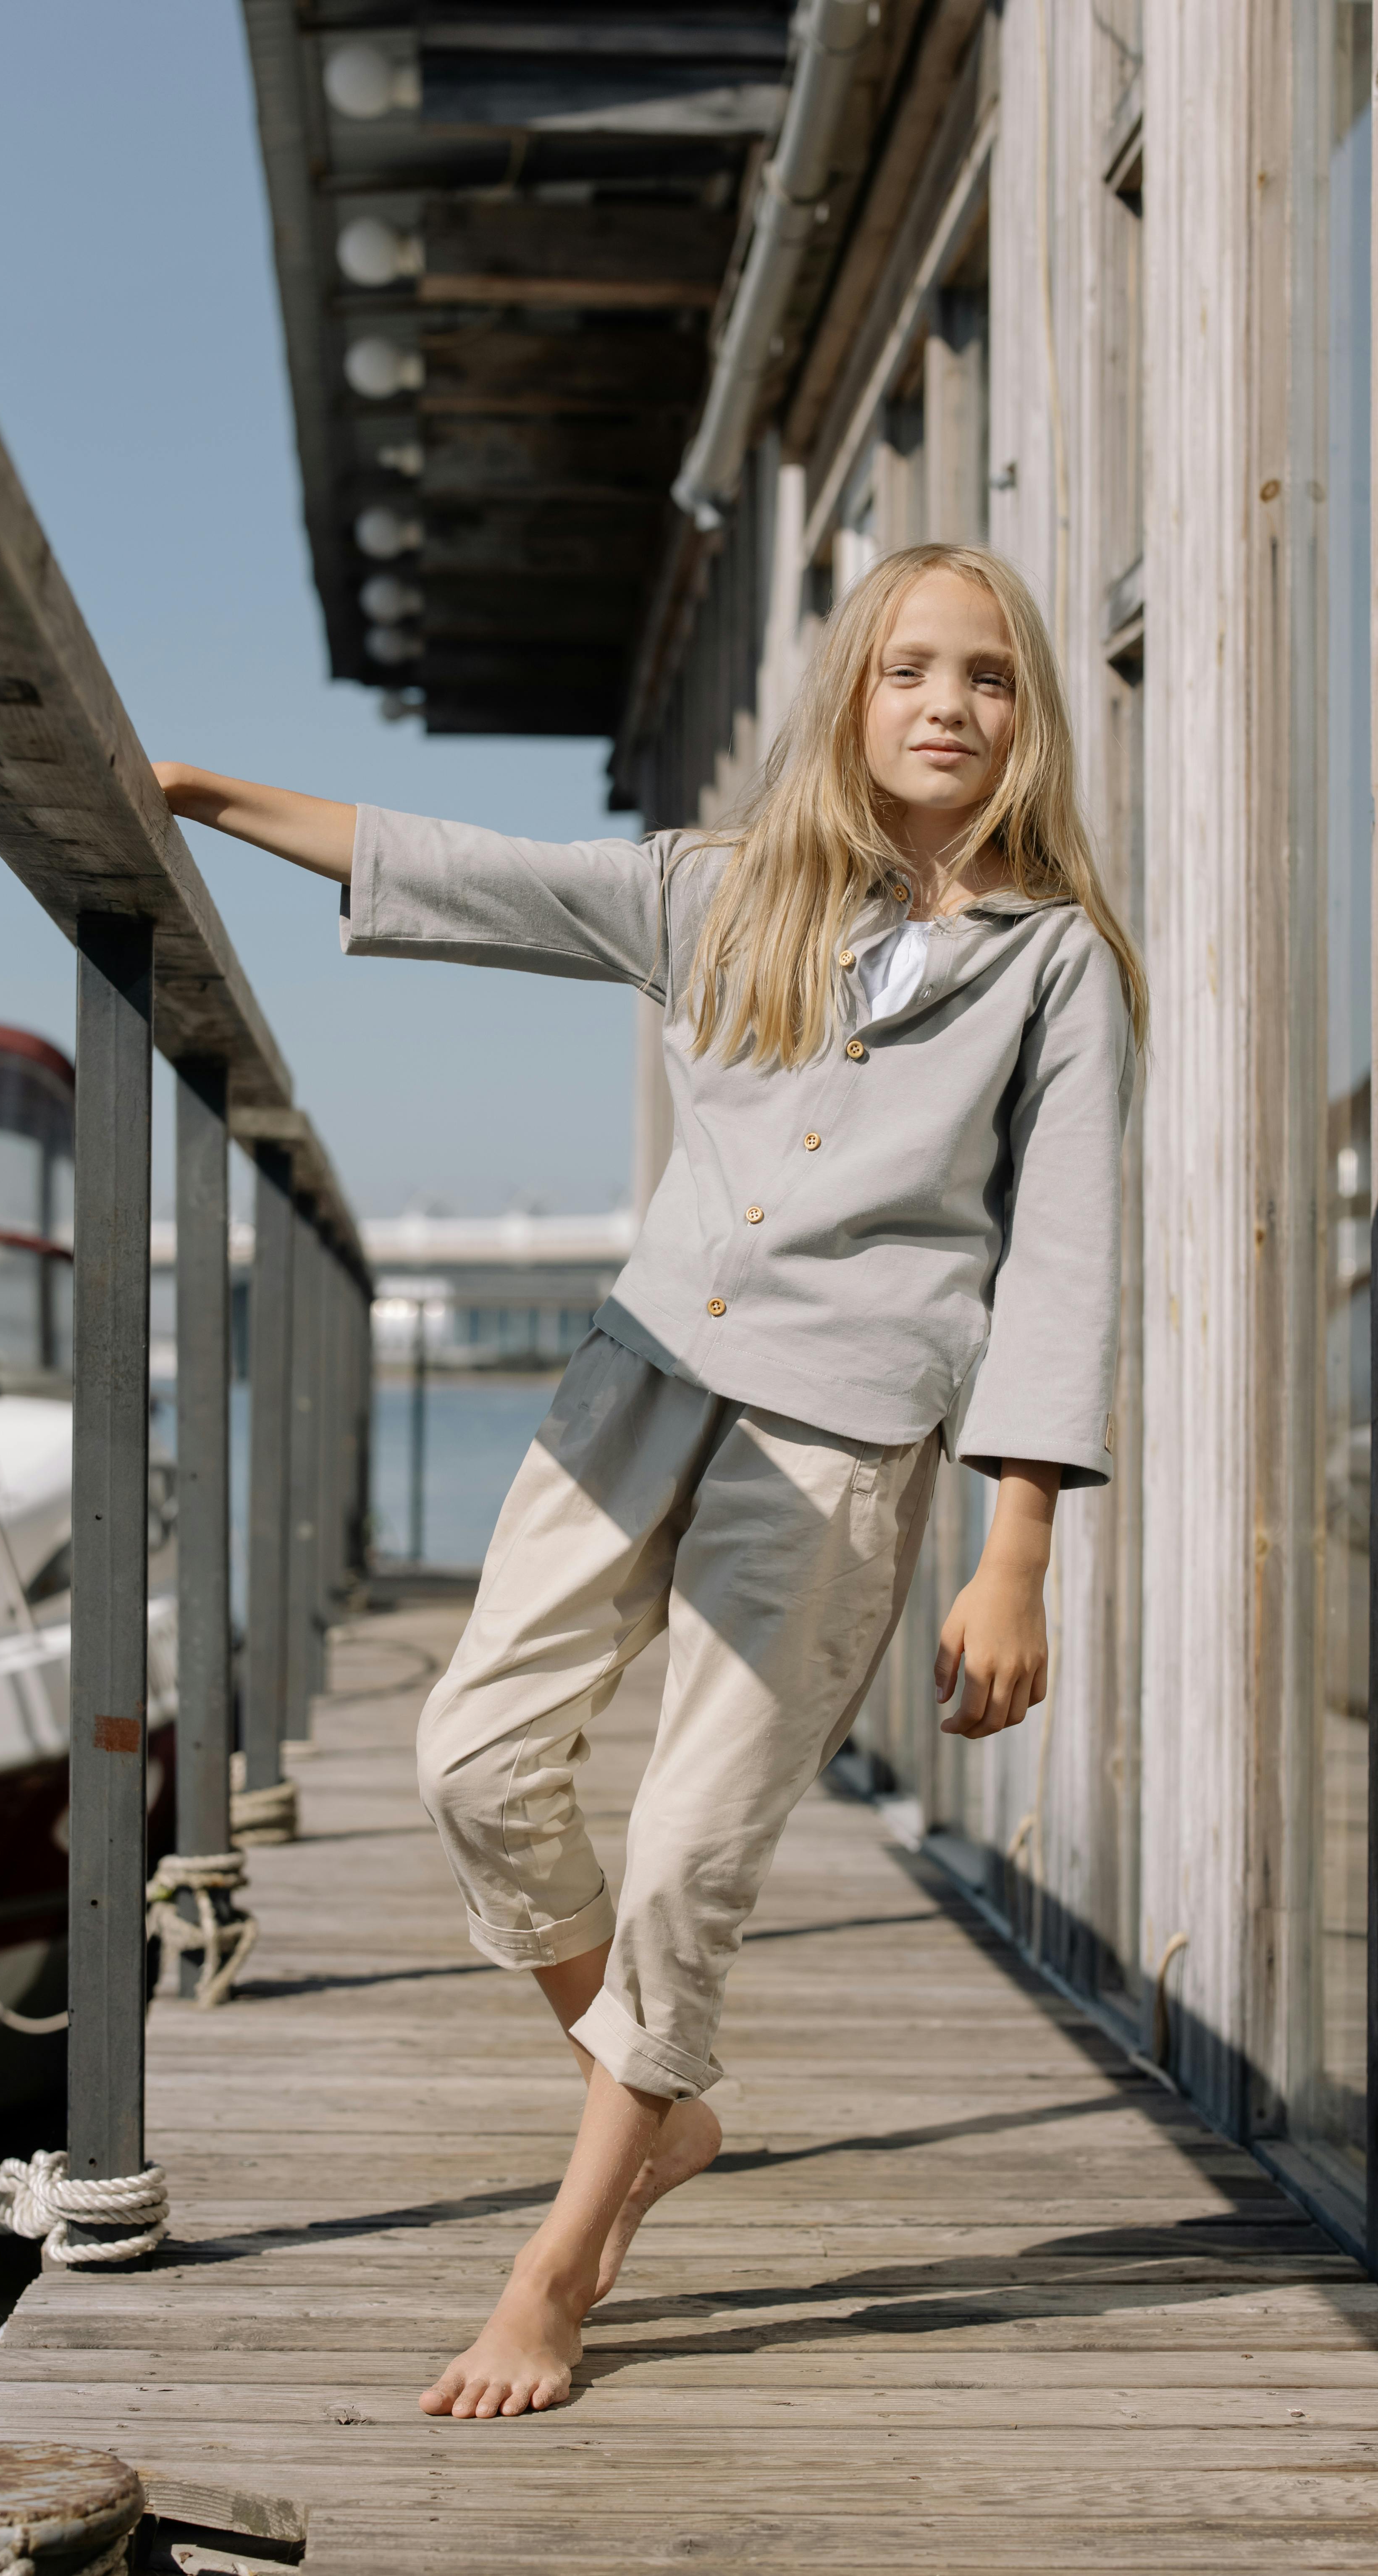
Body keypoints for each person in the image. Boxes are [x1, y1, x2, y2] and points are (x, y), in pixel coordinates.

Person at [154, 541, 1145, 2424]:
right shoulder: (734, 895)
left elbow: (1067, 1264)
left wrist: (1016, 1553)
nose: (951, 703)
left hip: (847, 1443)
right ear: (853, 697)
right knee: (471, 1760)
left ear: (1029, 719)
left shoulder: (1060, 969)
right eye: (913, 669)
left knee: (693, 1848)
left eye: (993, 677)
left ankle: (564, 2251)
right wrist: (197, 795)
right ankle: (660, 2098)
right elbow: (477, 872)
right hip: (637, 1383)